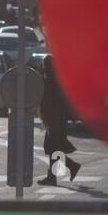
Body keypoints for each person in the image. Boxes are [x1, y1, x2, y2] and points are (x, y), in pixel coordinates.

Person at [39, 57, 80, 185]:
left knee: (54, 147)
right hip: (55, 118)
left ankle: (68, 168)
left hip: (55, 119)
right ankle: (55, 175)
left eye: (44, 65)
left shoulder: (50, 81)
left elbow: (49, 100)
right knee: (53, 147)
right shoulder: (56, 79)